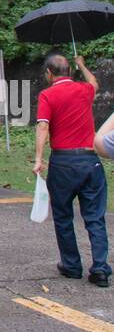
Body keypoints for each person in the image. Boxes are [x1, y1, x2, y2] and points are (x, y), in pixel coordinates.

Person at [35, 52, 110, 287]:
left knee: (63, 216)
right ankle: (99, 268)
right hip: (89, 160)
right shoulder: (84, 90)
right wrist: (83, 66)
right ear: (69, 71)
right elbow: (94, 84)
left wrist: (38, 158)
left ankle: (72, 265)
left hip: (63, 162)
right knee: (95, 217)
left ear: (49, 73)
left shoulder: (47, 94)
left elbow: (43, 126)